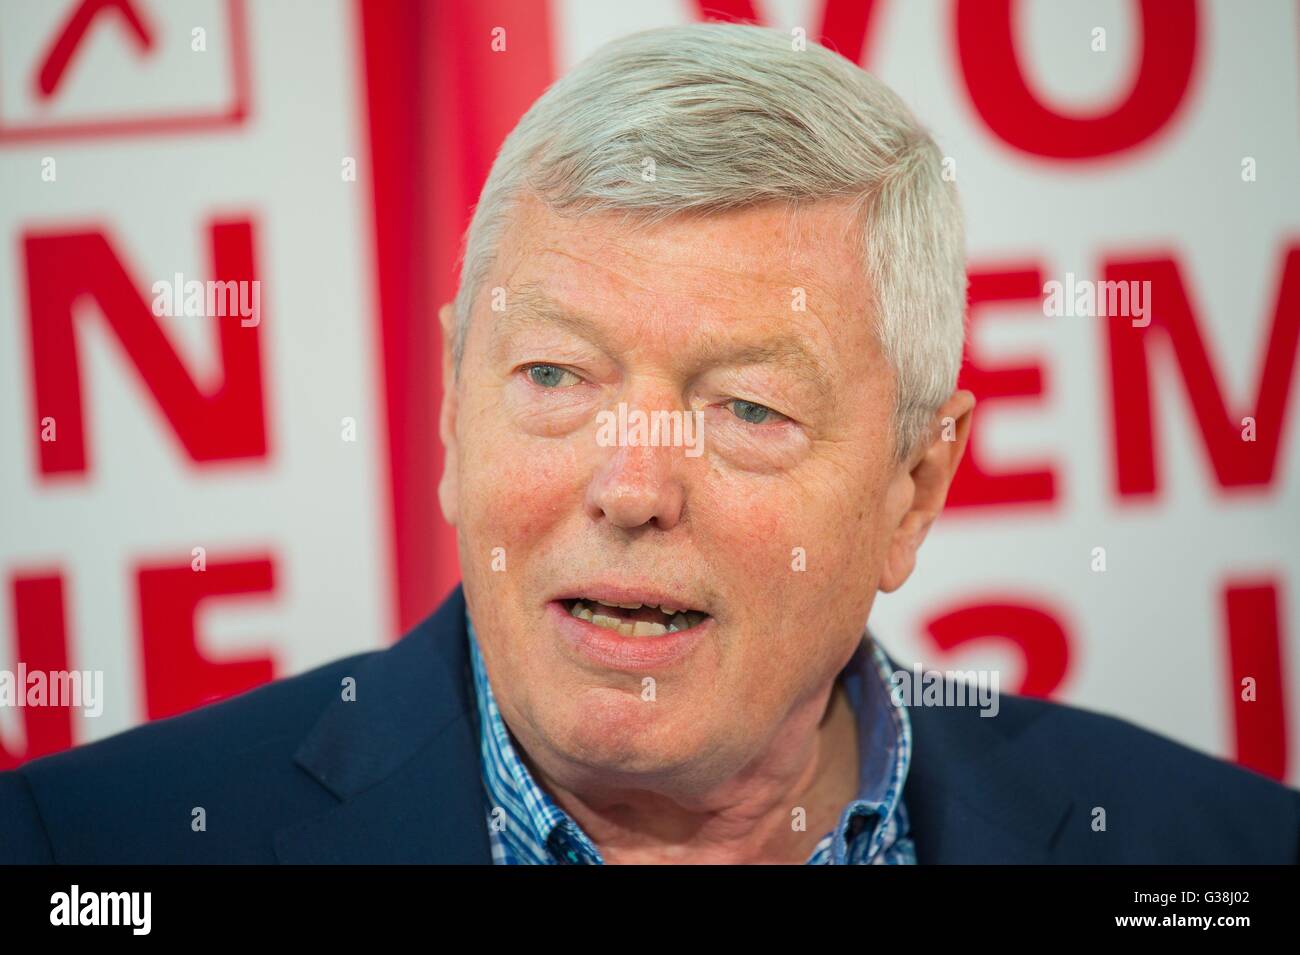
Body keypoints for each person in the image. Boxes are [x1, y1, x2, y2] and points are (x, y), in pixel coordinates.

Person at [2, 23, 1295, 864]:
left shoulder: (1217, 859)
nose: (631, 488)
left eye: (746, 410)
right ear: (455, 411)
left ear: (916, 485)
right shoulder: (87, 855)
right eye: (555, 375)